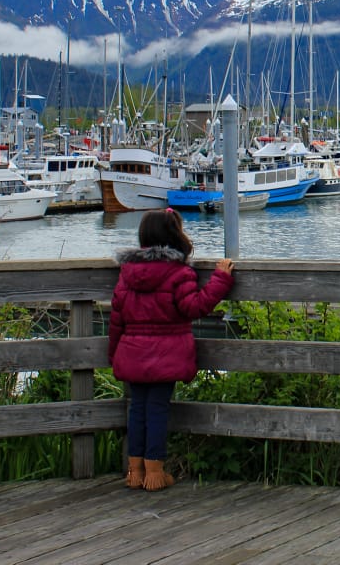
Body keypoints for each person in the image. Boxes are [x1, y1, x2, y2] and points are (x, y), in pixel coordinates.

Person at [109, 208, 235, 491]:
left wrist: (114, 353)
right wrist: (221, 279)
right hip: (166, 356)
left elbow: (117, 318)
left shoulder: (127, 274)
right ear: (174, 236)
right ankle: (155, 470)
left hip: (132, 352)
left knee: (137, 409)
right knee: (157, 410)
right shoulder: (178, 273)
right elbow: (195, 307)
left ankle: (135, 472)